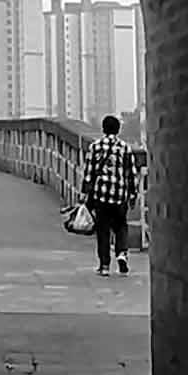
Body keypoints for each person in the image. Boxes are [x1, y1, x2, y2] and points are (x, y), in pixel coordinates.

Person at [80, 114, 146, 277]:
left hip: (101, 195)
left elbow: (89, 173)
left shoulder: (95, 146)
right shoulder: (125, 148)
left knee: (103, 230)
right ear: (118, 129)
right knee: (121, 226)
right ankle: (122, 253)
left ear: (103, 129)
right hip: (119, 194)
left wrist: (85, 193)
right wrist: (132, 194)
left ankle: (104, 265)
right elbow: (131, 173)